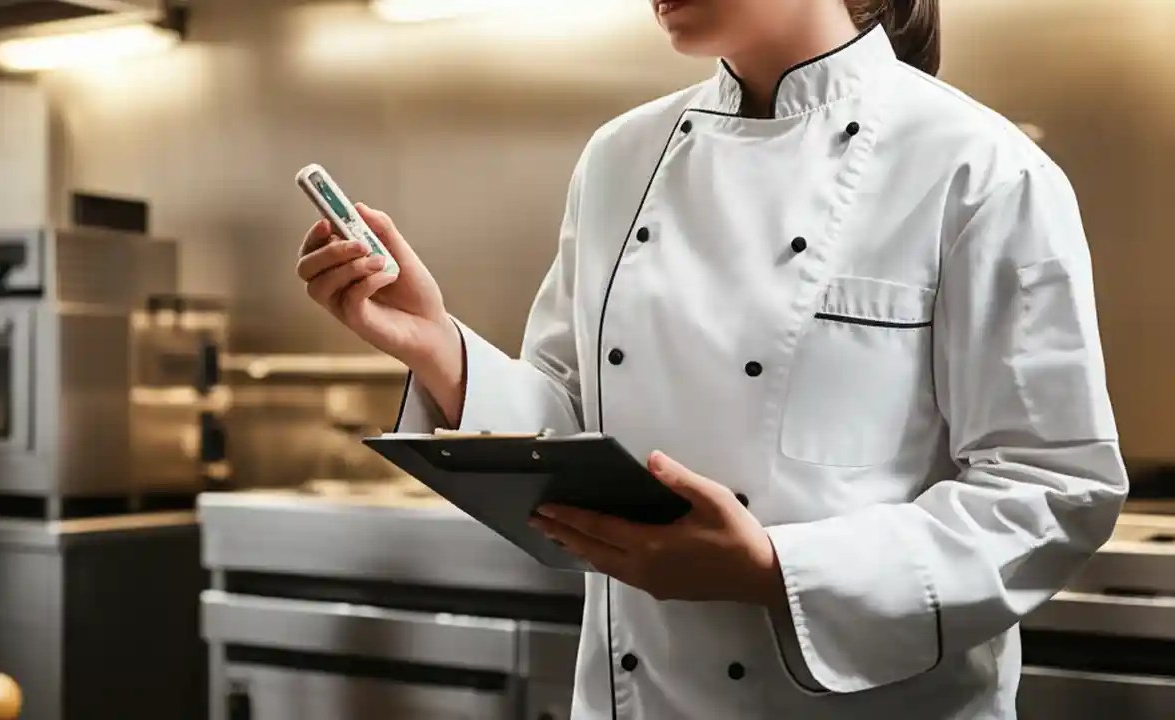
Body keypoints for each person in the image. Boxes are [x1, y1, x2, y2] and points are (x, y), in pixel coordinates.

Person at [295, 0, 1128, 717]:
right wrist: (439, 346)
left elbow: (1049, 488)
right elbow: (577, 432)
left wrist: (776, 569)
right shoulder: (619, 158)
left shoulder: (981, 169)